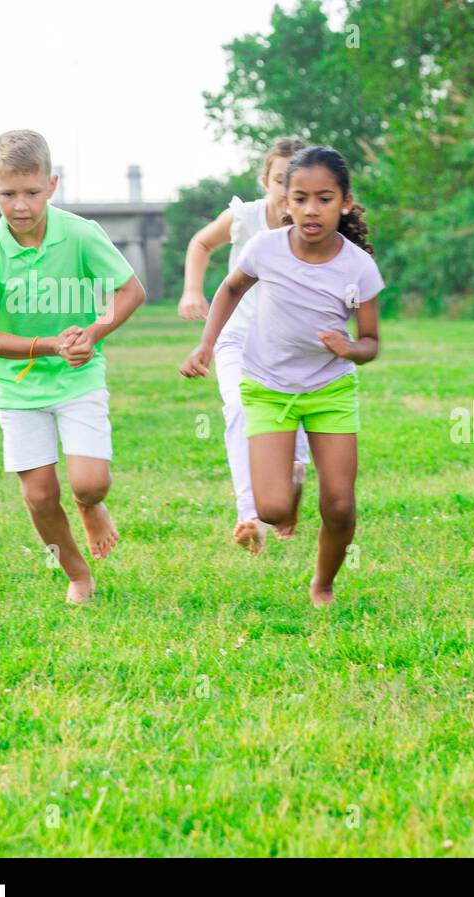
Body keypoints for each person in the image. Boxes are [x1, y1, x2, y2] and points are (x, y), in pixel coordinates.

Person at [181, 146, 383, 607]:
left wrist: (350, 348)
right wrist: (206, 345)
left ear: (346, 202)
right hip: (268, 388)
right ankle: (290, 486)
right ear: (286, 202)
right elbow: (230, 289)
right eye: (301, 198)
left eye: (325, 198)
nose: (312, 209)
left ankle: (323, 584)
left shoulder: (359, 267)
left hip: (330, 390)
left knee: (339, 507)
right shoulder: (264, 248)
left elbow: (371, 341)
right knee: (272, 510)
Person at [0, 129, 146, 603]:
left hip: (78, 378)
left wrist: (92, 334)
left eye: (31, 192)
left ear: (52, 185)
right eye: (8, 194)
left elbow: (131, 292)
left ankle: (91, 506)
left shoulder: (82, 235)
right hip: (17, 388)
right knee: (41, 496)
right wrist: (50, 345)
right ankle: (78, 575)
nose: (20, 205)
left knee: (90, 482)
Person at [178, 137, 311, 553]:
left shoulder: (313, 224)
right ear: (264, 180)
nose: (286, 190)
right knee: (238, 408)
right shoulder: (244, 216)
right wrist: (192, 292)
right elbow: (201, 242)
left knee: (293, 453)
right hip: (236, 335)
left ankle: (290, 490)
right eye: (278, 179)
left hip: (291, 344)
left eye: (295, 182)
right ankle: (249, 517)